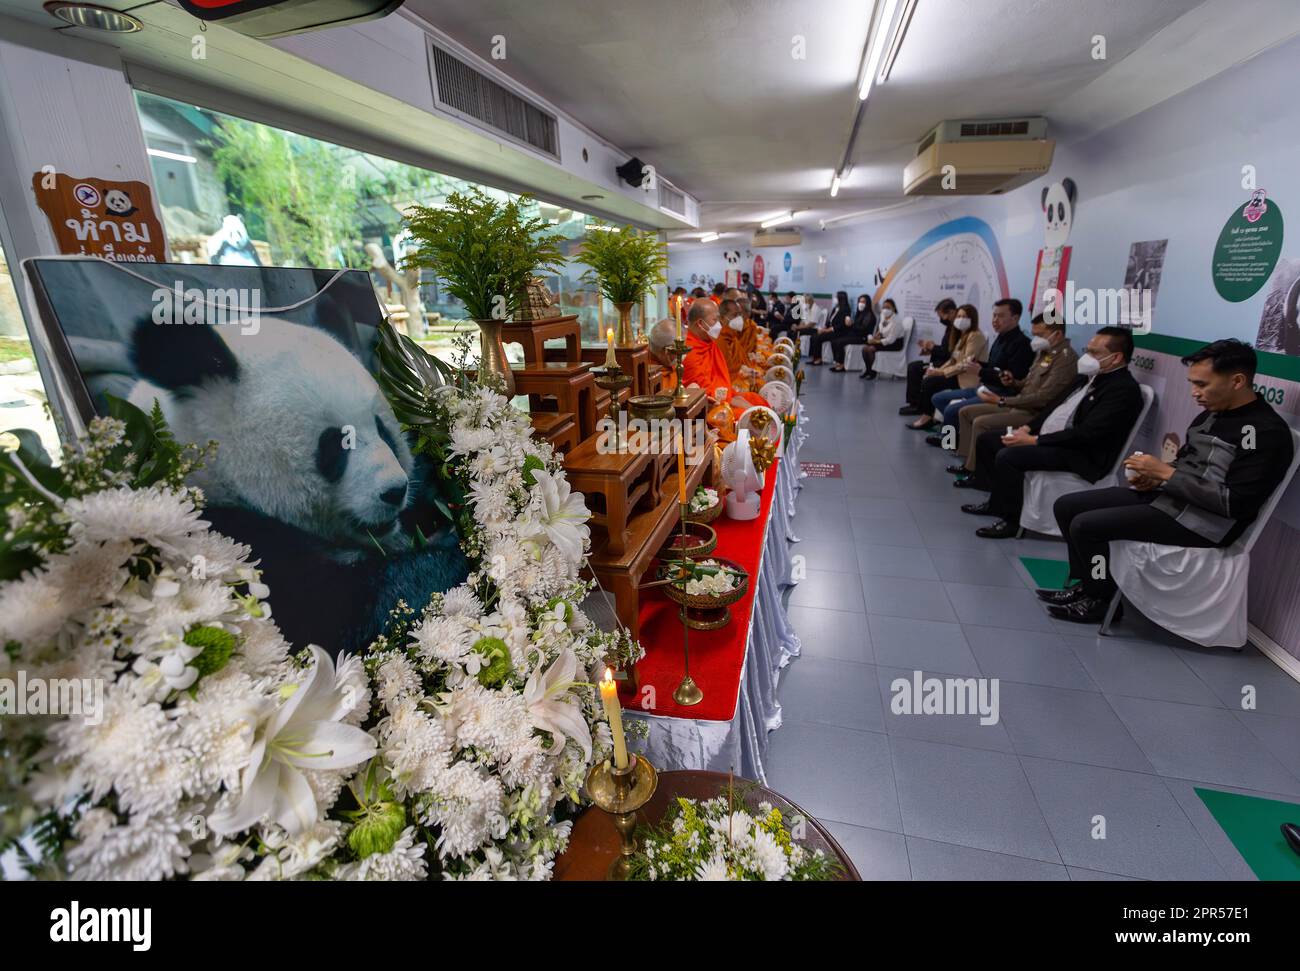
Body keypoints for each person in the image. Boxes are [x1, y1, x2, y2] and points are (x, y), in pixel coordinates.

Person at [1045, 339, 1294, 623]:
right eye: (1192, 383)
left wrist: (1165, 474)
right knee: (1067, 506)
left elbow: (1235, 504)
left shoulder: (1264, 432)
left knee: (1085, 525)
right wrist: (1155, 479)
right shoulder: (1213, 413)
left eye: (1202, 384)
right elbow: (1187, 462)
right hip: (1172, 499)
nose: (1195, 393)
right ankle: (1086, 585)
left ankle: (1099, 600)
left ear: (1237, 381)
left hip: (1205, 523)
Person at [960, 327, 1144, 539]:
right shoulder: (1088, 377)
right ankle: (995, 502)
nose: (1087, 357)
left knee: (1009, 456)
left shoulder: (1123, 390)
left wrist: (1035, 441)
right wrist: (1028, 428)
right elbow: (1052, 407)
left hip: (1079, 454)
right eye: (1088, 350)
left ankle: (1011, 521)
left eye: (1095, 353)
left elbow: (1088, 434)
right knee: (989, 440)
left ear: (1116, 357)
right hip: (1051, 439)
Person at [947, 314, 1077, 478]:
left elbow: (1044, 397)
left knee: (980, 422)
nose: (1035, 339)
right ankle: (966, 460)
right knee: (964, 411)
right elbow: (1028, 383)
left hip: (1033, 413)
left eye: (1039, 335)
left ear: (1057, 334)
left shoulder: (1065, 359)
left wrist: (1002, 400)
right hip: (1016, 404)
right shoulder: (1044, 351)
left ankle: (976, 472)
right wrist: (1013, 382)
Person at [924, 298, 1033, 445]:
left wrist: (981, 371)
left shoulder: (1022, 344)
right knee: (938, 398)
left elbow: (1013, 379)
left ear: (1015, 318)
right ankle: (956, 432)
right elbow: (993, 366)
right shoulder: (1000, 337)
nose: (995, 320)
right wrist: (980, 365)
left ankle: (949, 441)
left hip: (998, 394)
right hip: (983, 387)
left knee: (951, 410)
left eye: (1000, 316)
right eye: (994, 315)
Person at [681, 297, 768, 414]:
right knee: (751, 414)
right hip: (713, 407)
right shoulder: (689, 351)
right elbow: (703, 395)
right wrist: (739, 403)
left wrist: (737, 398)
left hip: (727, 395)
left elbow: (722, 382)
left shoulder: (709, 343)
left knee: (757, 400)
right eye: (715, 320)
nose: (719, 324)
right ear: (700, 324)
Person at [907, 304, 985, 429]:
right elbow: (953, 359)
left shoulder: (975, 335)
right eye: (959, 316)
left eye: (964, 316)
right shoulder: (963, 335)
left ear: (972, 318)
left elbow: (965, 363)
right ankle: (938, 422)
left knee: (930, 382)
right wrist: (938, 370)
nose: (960, 319)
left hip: (966, 378)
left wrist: (942, 373)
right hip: (957, 374)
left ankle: (929, 419)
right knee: (929, 380)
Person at [902, 298, 959, 415]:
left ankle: (920, 407)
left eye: (942, 315)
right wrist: (930, 349)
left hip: (947, 366)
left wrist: (933, 348)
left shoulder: (957, 330)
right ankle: (914, 403)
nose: (941, 319)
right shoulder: (950, 327)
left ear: (952, 312)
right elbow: (945, 349)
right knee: (914, 366)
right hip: (943, 361)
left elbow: (950, 354)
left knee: (916, 369)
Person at [827, 294, 876, 373]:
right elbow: (855, 326)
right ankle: (837, 362)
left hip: (863, 337)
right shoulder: (859, 313)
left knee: (840, 342)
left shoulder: (869, 315)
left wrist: (852, 324)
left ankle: (841, 365)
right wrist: (849, 324)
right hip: (855, 334)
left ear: (868, 303)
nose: (861, 303)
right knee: (834, 340)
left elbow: (863, 329)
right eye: (860, 301)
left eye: (863, 302)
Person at [859, 298, 903, 379]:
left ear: (893, 308)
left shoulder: (896, 321)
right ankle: (868, 370)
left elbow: (890, 340)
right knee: (864, 348)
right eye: (884, 307)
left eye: (888, 307)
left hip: (895, 343)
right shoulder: (883, 315)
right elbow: (881, 328)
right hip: (883, 339)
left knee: (870, 349)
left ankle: (873, 372)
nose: (885, 309)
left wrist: (875, 341)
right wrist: (877, 335)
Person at [809, 291, 851, 365]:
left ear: (841, 298)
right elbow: (830, 320)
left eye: (836, 297)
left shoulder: (846, 309)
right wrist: (824, 327)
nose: (835, 298)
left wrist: (826, 330)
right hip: (830, 329)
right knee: (813, 336)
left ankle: (819, 359)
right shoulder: (835, 308)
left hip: (838, 331)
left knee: (818, 338)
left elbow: (841, 325)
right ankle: (814, 357)